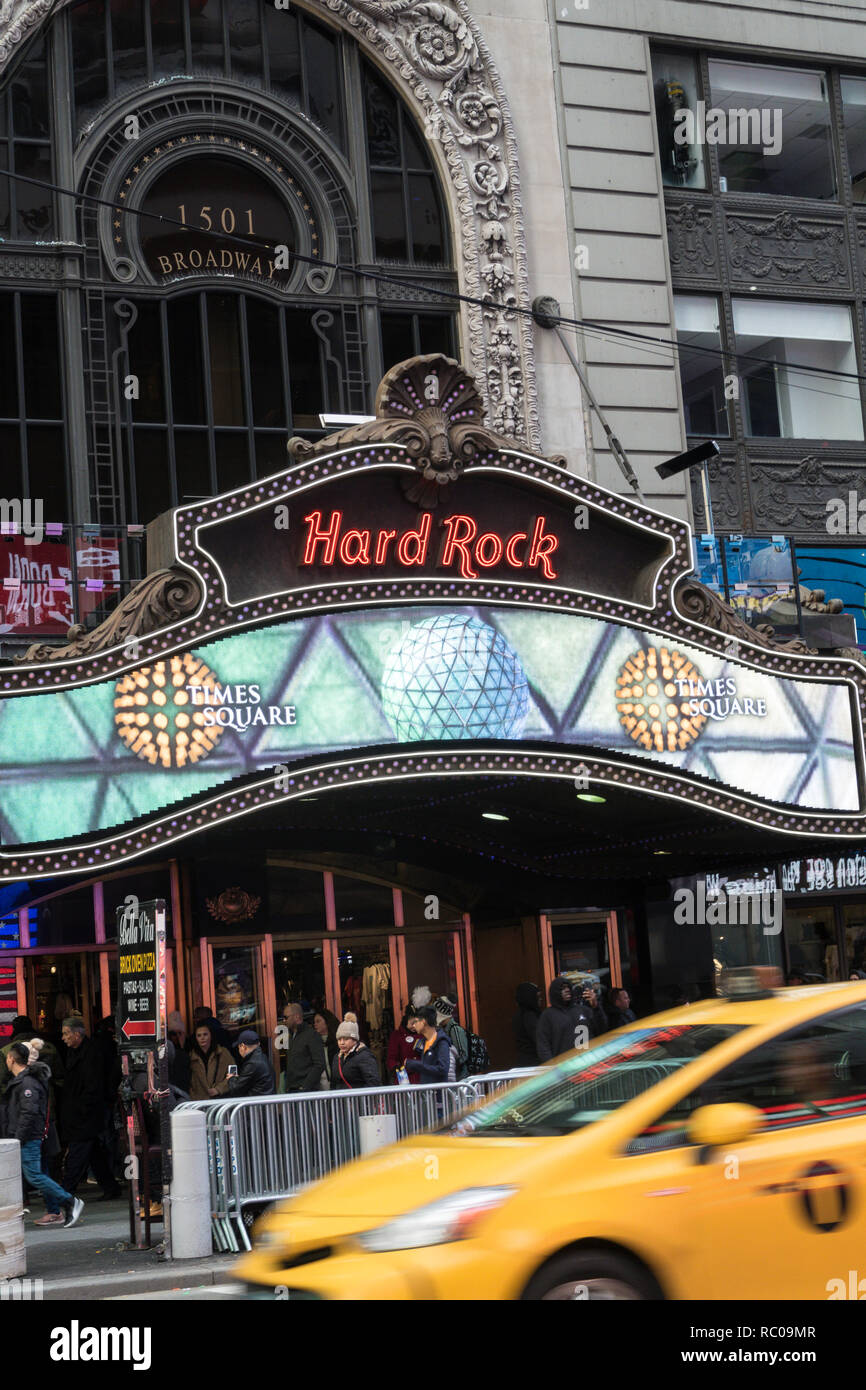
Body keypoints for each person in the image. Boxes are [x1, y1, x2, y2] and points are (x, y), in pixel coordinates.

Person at [2, 1042, 84, 1228]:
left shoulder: (27, 1083)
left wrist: (18, 1138)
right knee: (29, 1175)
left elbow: (29, 1113)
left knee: (34, 1176)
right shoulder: (24, 1081)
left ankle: (69, 1201)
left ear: (12, 1059)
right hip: (24, 1137)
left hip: (27, 1138)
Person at [59, 1017, 121, 1199]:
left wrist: (83, 1109)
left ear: (77, 1034)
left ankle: (64, 1194)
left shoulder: (91, 1054)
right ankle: (110, 1187)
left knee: (77, 1156)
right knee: (94, 1153)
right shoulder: (75, 1052)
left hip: (85, 1114)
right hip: (80, 1112)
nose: (63, 1038)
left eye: (66, 1034)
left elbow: (93, 1085)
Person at [536, 977, 591, 1063]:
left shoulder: (582, 1010)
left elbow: (601, 1030)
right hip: (563, 1067)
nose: (567, 990)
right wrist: (552, 1068)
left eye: (568, 987)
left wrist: (596, 1007)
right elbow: (543, 1046)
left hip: (586, 1063)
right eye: (563, 988)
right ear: (555, 992)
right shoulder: (548, 1015)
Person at [279, 1002, 327, 1093]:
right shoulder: (291, 1036)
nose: (284, 1020)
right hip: (292, 1089)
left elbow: (320, 1064)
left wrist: (304, 1087)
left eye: (286, 1017)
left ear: (296, 1017)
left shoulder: (312, 1035)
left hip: (306, 1092)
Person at [404, 1005, 452, 1083]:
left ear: (423, 1021)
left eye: (416, 1022)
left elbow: (443, 1069)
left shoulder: (442, 1042)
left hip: (438, 1092)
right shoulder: (424, 1042)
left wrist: (415, 1065)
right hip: (426, 1092)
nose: (414, 1025)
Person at [330, 1019, 381, 1089]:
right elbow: (333, 1083)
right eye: (339, 1039)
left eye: (346, 1039)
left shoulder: (365, 1056)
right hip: (341, 1099)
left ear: (355, 1040)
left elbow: (373, 1083)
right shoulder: (337, 1057)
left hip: (359, 1099)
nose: (342, 1043)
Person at [188, 1023, 233, 1100]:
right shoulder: (191, 1057)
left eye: (205, 1034)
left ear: (211, 1035)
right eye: (199, 1035)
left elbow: (233, 1075)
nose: (202, 1038)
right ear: (195, 1038)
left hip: (220, 1100)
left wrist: (219, 1089)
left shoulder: (223, 1053)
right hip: (198, 1102)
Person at [228, 1030, 275, 1096]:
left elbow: (235, 1089)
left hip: (259, 1104)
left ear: (243, 1046)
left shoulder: (253, 1063)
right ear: (258, 1044)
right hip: (265, 1102)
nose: (238, 1050)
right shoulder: (262, 1057)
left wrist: (231, 1078)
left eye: (238, 1047)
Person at [434, 994, 470, 1079]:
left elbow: (463, 1055)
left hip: (459, 1077)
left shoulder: (455, 1030)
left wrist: (448, 1063)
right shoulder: (444, 1029)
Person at [512, 982, 541, 1066]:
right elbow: (539, 1039)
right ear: (531, 998)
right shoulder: (529, 1016)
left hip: (525, 1061)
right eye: (538, 997)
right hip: (533, 1063)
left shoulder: (520, 1015)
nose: (540, 999)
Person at [387, 1005, 419, 1082]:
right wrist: (396, 1067)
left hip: (421, 1078)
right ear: (407, 1019)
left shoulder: (422, 1035)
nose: (414, 1026)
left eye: (417, 1023)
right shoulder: (397, 1035)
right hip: (403, 1078)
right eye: (412, 1023)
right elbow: (391, 1058)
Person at [312, 1012, 338, 1086]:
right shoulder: (315, 1043)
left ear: (327, 1022)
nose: (315, 1024)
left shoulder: (338, 1042)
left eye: (318, 1021)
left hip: (337, 1085)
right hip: (322, 1086)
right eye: (314, 1022)